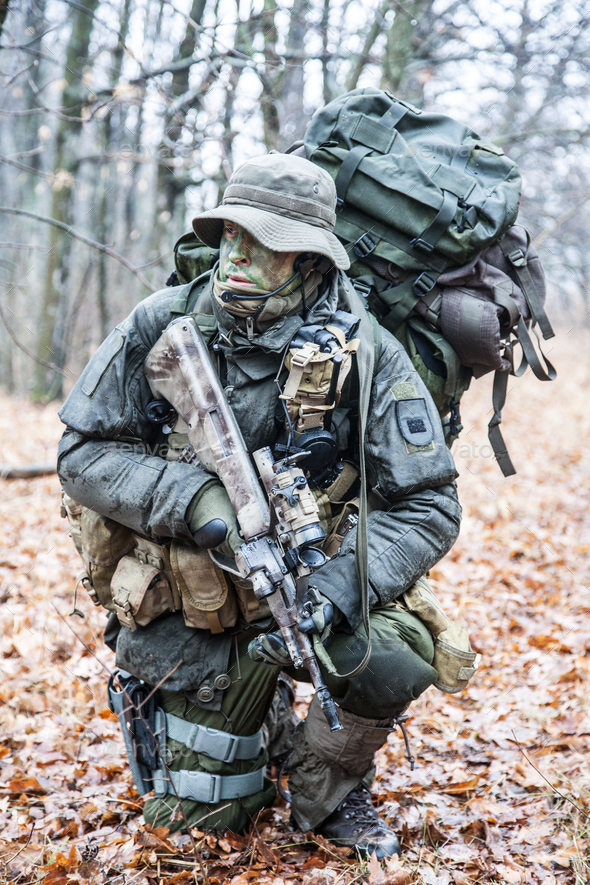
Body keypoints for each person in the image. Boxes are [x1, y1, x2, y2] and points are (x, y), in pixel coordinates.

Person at [57, 153, 461, 858]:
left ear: (308, 261)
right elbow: (80, 453)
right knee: (206, 824)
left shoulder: (364, 351)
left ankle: (328, 784)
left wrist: (339, 589)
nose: (236, 255)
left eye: (262, 242)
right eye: (230, 234)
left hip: (309, 584)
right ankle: (254, 721)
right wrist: (192, 496)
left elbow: (430, 502)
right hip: (196, 606)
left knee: (392, 656)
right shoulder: (164, 321)